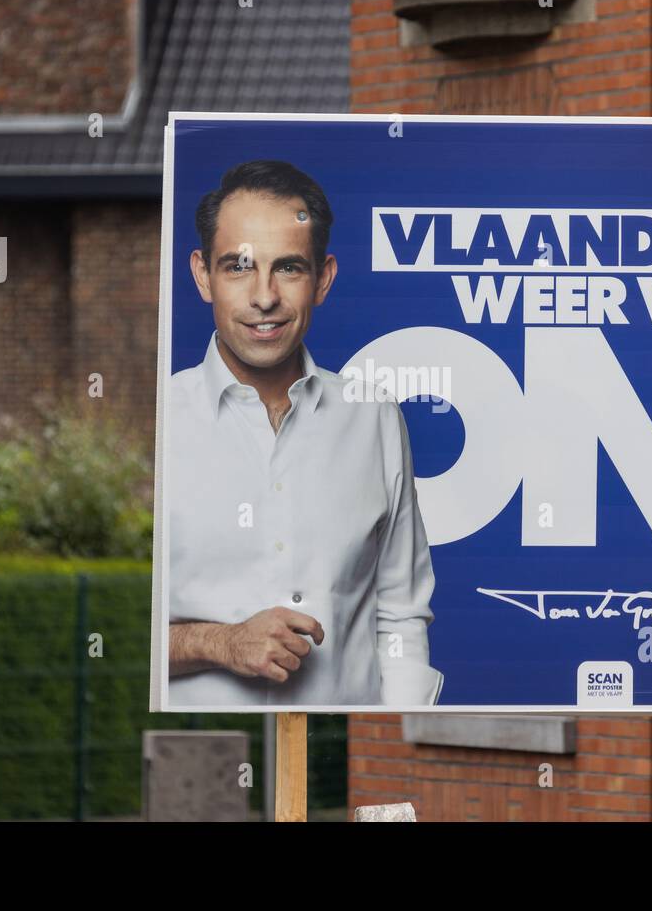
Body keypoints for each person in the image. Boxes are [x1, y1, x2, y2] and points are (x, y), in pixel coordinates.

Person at [163, 159, 443, 707]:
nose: (264, 297)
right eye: (239, 267)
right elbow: (106, 636)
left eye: (288, 268)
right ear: (202, 275)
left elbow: (401, 613)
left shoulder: (374, 417)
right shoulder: (159, 422)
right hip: (211, 761)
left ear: (324, 279)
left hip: (343, 758)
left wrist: (398, 736)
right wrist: (222, 643)